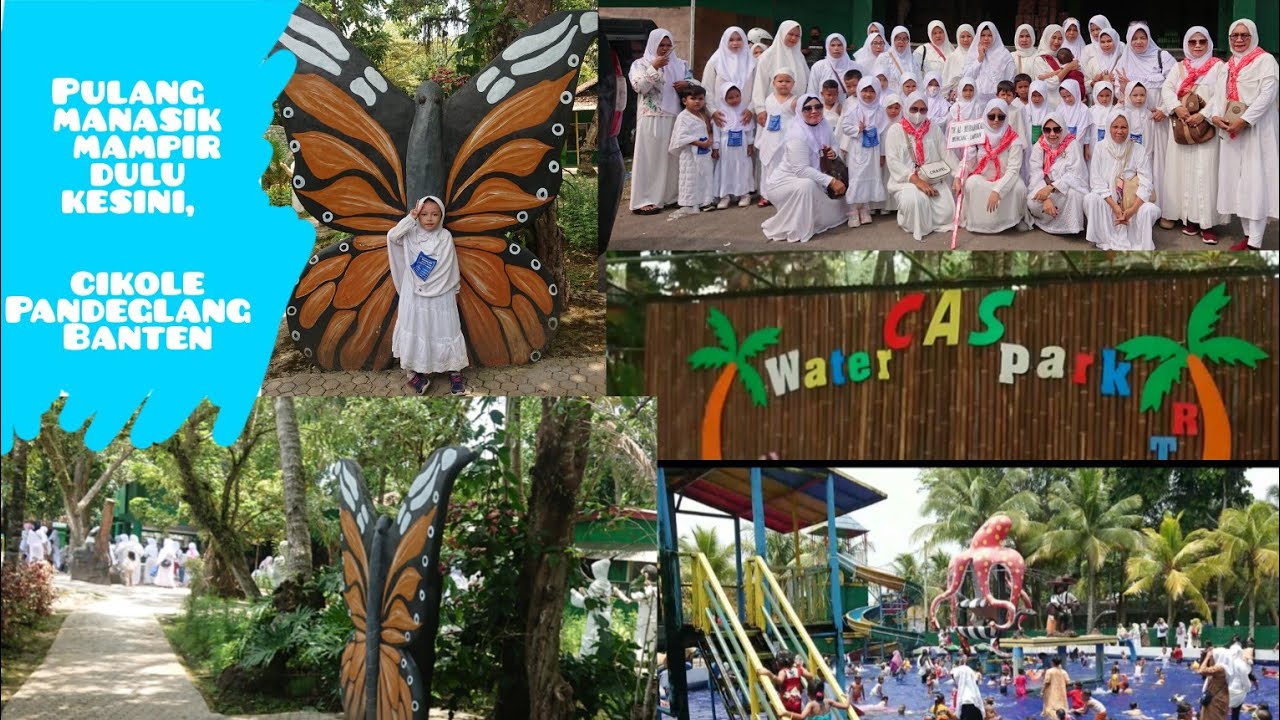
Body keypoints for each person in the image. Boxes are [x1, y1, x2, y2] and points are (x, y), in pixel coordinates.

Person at [386, 195, 467, 395]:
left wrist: (455, 288)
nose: (429, 219)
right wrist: (409, 219)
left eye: (434, 214)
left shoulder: (445, 236)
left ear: (441, 216)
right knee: (415, 326)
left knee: (446, 328)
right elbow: (392, 237)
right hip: (414, 293)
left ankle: (454, 371)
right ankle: (412, 373)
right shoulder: (410, 233)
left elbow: (451, 264)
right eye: (424, 214)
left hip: (442, 292)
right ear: (418, 215)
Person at [1211, 18, 1278, 251]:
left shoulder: (1265, 61)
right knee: (1238, 184)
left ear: (1253, 37)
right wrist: (1215, 116)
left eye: (1244, 35)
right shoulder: (1226, 65)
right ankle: (1248, 236)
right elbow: (1217, 97)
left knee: (1255, 182)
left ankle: (1256, 243)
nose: (1239, 40)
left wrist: (1245, 120)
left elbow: (1268, 95)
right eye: (1234, 36)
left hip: (1256, 132)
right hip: (1231, 131)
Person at [760, 92, 848, 242]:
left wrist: (833, 151)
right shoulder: (797, 134)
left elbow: (834, 142)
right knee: (806, 185)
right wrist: (831, 182)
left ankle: (811, 220)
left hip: (812, 178)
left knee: (840, 209)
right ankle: (798, 227)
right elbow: (801, 170)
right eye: (807, 108)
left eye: (818, 107)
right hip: (784, 183)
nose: (814, 111)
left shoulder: (823, 124)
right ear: (800, 111)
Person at [1116, 22, 1175, 225]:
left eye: (1143, 37)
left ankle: (1166, 210)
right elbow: (1118, 96)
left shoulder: (1163, 58)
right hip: (1135, 125)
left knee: (1161, 164)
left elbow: (1176, 87)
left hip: (1159, 122)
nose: (1139, 42)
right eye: (1134, 38)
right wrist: (1123, 88)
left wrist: (1165, 110)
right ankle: (1137, 209)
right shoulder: (1124, 62)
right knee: (1137, 165)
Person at [629, 29, 690, 215]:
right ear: (652, 45)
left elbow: (693, 83)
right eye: (660, 45)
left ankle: (669, 197)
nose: (664, 49)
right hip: (652, 117)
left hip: (675, 116)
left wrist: (687, 85)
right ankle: (644, 199)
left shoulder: (681, 64)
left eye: (667, 45)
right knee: (650, 159)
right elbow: (639, 87)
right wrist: (653, 67)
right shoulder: (640, 64)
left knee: (672, 159)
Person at [1086, 108, 1160, 250]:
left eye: (1124, 127)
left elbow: (1146, 182)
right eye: (1115, 127)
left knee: (1150, 210)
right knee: (1090, 199)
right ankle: (1104, 237)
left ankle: (1138, 240)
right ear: (1108, 127)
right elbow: (1096, 181)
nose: (1120, 131)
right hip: (1109, 201)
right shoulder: (1100, 148)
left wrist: (1131, 210)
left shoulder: (1138, 149)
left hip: (1132, 202)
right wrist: (1115, 207)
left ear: (1129, 128)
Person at [885, 92, 955, 241]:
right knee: (916, 201)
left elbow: (946, 152)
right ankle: (908, 219)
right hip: (906, 182)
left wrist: (958, 174)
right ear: (906, 108)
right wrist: (916, 180)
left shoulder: (933, 128)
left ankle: (928, 218)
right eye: (914, 109)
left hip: (932, 178)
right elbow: (893, 161)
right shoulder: (895, 130)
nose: (918, 113)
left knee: (948, 213)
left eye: (923, 110)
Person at [956, 98, 1027, 233]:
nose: (996, 120)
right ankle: (980, 223)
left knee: (1019, 187)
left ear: (1006, 118)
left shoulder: (1014, 139)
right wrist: (958, 176)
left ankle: (1013, 220)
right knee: (971, 183)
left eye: (1000, 117)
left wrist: (998, 191)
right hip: (983, 178)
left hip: (1005, 178)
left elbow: (1013, 170)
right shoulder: (978, 135)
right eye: (991, 116)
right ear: (985, 115)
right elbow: (968, 160)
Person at [1028, 110, 1088, 234]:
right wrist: (1044, 198)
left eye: (1056, 129)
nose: (1052, 134)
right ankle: (1047, 222)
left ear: (1063, 129)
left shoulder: (1072, 144)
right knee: (1031, 202)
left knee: (1074, 195)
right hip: (1044, 188)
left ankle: (1069, 228)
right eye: (1047, 130)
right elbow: (1035, 174)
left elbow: (1075, 175)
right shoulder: (1039, 146)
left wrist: (1051, 188)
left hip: (1064, 189)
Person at [841, 77, 888, 226]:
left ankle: (865, 209)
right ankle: (853, 211)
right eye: (865, 91)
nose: (868, 95)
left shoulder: (880, 110)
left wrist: (882, 154)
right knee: (857, 177)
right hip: (858, 149)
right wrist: (858, 129)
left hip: (873, 149)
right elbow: (845, 127)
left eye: (871, 91)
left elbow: (883, 132)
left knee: (870, 177)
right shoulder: (854, 109)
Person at [667, 83, 716, 218]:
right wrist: (699, 143)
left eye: (700, 99)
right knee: (690, 178)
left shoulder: (703, 115)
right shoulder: (683, 117)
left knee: (705, 177)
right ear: (684, 101)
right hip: (690, 154)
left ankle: (706, 201)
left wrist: (710, 141)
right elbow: (681, 136)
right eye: (693, 99)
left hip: (704, 153)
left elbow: (708, 130)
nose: (697, 102)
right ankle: (689, 204)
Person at [756, 68, 799, 206]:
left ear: (793, 83)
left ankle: (785, 194)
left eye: (787, 81)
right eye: (780, 81)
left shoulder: (795, 100)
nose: (784, 84)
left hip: (787, 139)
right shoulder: (768, 99)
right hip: (770, 139)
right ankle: (766, 195)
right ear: (773, 82)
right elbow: (763, 121)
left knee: (786, 166)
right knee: (768, 166)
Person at [702, 26, 756, 130]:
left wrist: (751, 109)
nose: (735, 43)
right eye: (731, 40)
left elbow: (758, 88)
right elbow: (707, 88)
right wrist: (712, 111)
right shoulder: (715, 62)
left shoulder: (753, 63)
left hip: (745, 116)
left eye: (739, 39)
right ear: (724, 41)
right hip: (721, 117)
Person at [753, 21, 809, 118]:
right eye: (790, 34)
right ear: (782, 33)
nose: (793, 38)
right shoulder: (767, 56)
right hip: (772, 110)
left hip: (796, 111)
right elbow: (759, 84)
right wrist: (760, 109)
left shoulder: (800, 57)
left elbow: (807, 81)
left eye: (797, 36)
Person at [713, 82, 755, 208]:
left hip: (741, 146)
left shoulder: (744, 111)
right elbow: (716, 131)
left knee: (742, 168)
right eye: (730, 97)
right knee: (725, 169)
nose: (735, 100)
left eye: (737, 96)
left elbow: (749, 130)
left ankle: (744, 194)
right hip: (725, 147)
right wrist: (715, 147)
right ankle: (725, 196)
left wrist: (750, 144)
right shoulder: (720, 113)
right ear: (723, 98)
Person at [964, 23, 1016, 105]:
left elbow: (1010, 77)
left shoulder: (1004, 54)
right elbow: (967, 77)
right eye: (983, 35)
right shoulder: (973, 53)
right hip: (976, 100)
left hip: (999, 99)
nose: (986, 38)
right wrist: (980, 58)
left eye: (990, 35)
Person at [809, 33, 857, 103]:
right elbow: (812, 91)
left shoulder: (855, 66)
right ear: (827, 47)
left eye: (839, 45)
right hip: (824, 110)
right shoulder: (818, 66)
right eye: (833, 45)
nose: (836, 48)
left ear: (844, 46)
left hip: (850, 109)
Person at [1057, 79, 1094, 161]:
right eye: (1064, 97)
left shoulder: (1083, 110)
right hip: (1061, 146)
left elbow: (1085, 131)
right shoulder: (1060, 109)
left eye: (1069, 95)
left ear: (1076, 93)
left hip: (1078, 146)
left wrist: (1086, 148)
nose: (1067, 99)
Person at [1030, 25, 1068, 99]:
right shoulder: (1040, 59)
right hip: (1048, 102)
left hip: (1065, 102)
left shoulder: (1062, 57)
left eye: (1060, 38)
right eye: (1053, 37)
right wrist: (1067, 68)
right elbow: (1050, 84)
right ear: (1046, 37)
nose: (1056, 42)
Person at [876, 27, 916, 94]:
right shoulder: (884, 58)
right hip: (890, 99)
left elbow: (919, 82)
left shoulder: (914, 59)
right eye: (898, 39)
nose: (901, 42)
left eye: (905, 39)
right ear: (893, 40)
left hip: (910, 99)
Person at [1086, 29, 1125, 95]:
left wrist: (1115, 81)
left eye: (1109, 41)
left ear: (1116, 41)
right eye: (1103, 42)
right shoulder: (1093, 61)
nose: (1106, 45)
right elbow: (1086, 82)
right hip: (1098, 101)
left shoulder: (1123, 60)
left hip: (1118, 100)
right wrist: (1094, 82)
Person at [1198, 649, 1230, 720]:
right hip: (1221, 698)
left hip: (1215, 701)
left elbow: (1201, 670)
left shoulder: (1219, 668)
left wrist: (1207, 657)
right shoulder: (1226, 668)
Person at [944, 25, 975, 98]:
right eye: (962, 37)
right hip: (956, 97)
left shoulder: (979, 56)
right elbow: (946, 79)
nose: (966, 39)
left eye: (969, 36)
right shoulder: (952, 57)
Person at [952, 655, 984, 720]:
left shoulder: (960, 670)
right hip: (974, 701)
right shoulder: (972, 672)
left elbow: (953, 674)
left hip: (965, 702)